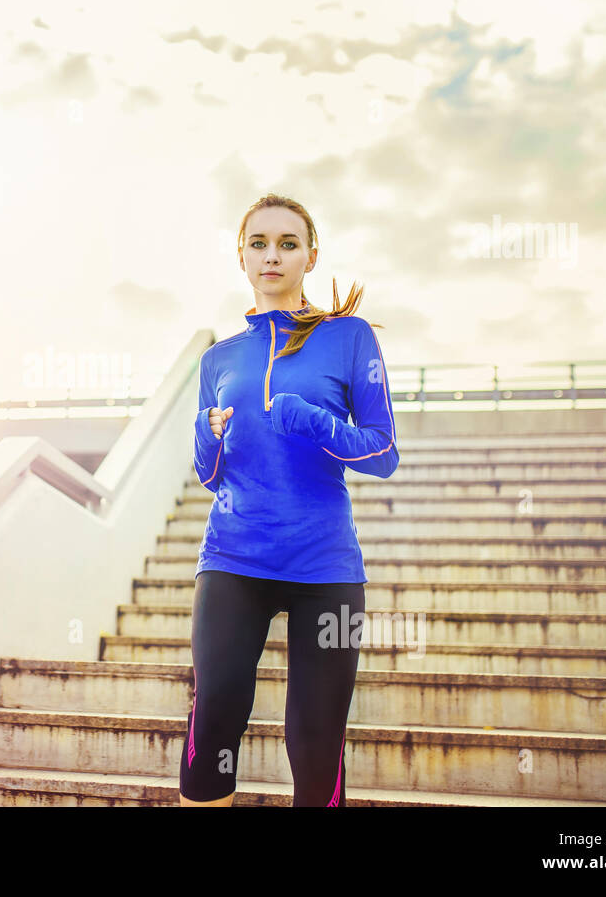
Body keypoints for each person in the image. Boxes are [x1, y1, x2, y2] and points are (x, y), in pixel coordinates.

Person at [179, 194, 399, 807]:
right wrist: (205, 436)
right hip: (233, 558)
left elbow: (383, 452)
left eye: (287, 243)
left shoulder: (348, 339)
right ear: (241, 256)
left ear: (310, 255)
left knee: (315, 738)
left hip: (324, 565)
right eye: (259, 243)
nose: (272, 255)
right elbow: (210, 474)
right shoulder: (217, 359)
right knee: (215, 715)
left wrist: (318, 425)